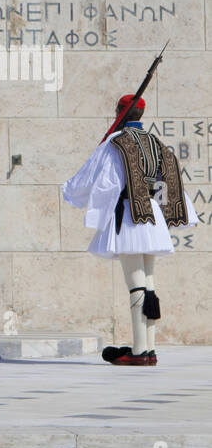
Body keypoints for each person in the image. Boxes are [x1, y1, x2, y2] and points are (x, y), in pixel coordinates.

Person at [62, 94, 195, 365]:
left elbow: (104, 182)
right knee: (148, 283)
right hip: (153, 217)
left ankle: (138, 352)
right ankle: (149, 348)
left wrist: (71, 191)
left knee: (136, 285)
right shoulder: (157, 143)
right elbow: (167, 184)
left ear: (120, 112)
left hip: (131, 216)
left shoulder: (116, 143)